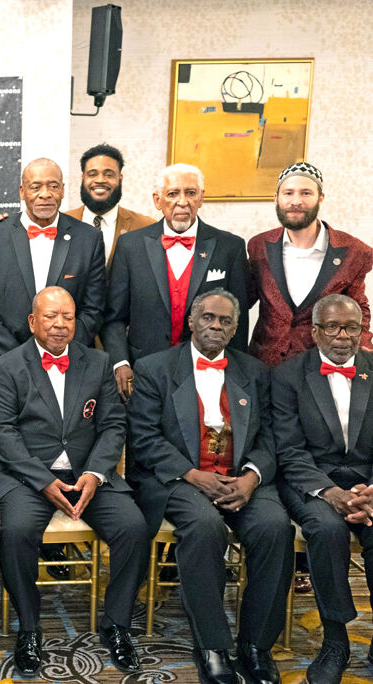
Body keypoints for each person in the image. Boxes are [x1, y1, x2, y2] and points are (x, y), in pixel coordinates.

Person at [127, 289, 293, 684]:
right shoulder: (155, 368)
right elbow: (144, 437)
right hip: (180, 479)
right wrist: (191, 474)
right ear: (192, 321)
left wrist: (252, 478)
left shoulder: (255, 372)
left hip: (240, 478)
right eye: (207, 318)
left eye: (224, 321)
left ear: (236, 328)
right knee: (204, 528)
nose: (215, 326)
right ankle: (213, 645)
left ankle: (256, 645)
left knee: (275, 528)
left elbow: (272, 436)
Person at [0, 286, 147, 676]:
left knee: (134, 528)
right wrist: (43, 481)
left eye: (68, 317)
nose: (60, 325)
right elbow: (2, 433)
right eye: (50, 316)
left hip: (88, 473)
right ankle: (28, 627)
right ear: (32, 321)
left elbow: (112, 425)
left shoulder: (97, 362)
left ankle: (116, 624)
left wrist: (95, 473)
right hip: (29, 477)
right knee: (17, 532)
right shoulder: (6, 366)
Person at [272, 294, 373, 684]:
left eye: (350, 327)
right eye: (332, 327)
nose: (342, 336)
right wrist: (330, 493)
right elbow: (289, 450)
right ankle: (335, 640)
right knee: (327, 531)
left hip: (366, 483)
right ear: (315, 332)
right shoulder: (287, 376)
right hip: (311, 481)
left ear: (361, 330)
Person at [103, 163, 250, 401]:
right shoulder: (130, 246)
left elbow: (239, 322)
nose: (182, 201)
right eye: (173, 194)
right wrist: (121, 362)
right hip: (144, 371)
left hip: (208, 371)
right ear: (157, 200)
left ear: (201, 198)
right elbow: (114, 317)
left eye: (190, 193)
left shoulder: (230, 247)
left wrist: (233, 372)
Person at [0, 159, 106, 363]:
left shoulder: (89, 239)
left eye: (53, 186)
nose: (45, 194)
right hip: (5, 362)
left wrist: (59, 350)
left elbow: (93, 309)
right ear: (22, 192)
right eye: (36, 187)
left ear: (62, 190)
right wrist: (21, 358)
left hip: (67, 363)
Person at [249, 163, 373, 366]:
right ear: (276, 198)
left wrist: (362, 347)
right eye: (288, 193)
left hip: (320, 367)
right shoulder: (259, 246)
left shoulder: (354, 252)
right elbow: (243, 296)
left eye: (305, 193)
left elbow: (358, 307)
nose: (296, 201)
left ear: (320, 198)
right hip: (265, 365)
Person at [64, 144, 154, 267]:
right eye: (92, 174)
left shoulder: (146, 227)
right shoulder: (61, 223)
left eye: (109, 174)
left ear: (120, 179)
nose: (100, 180)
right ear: (82, 178)